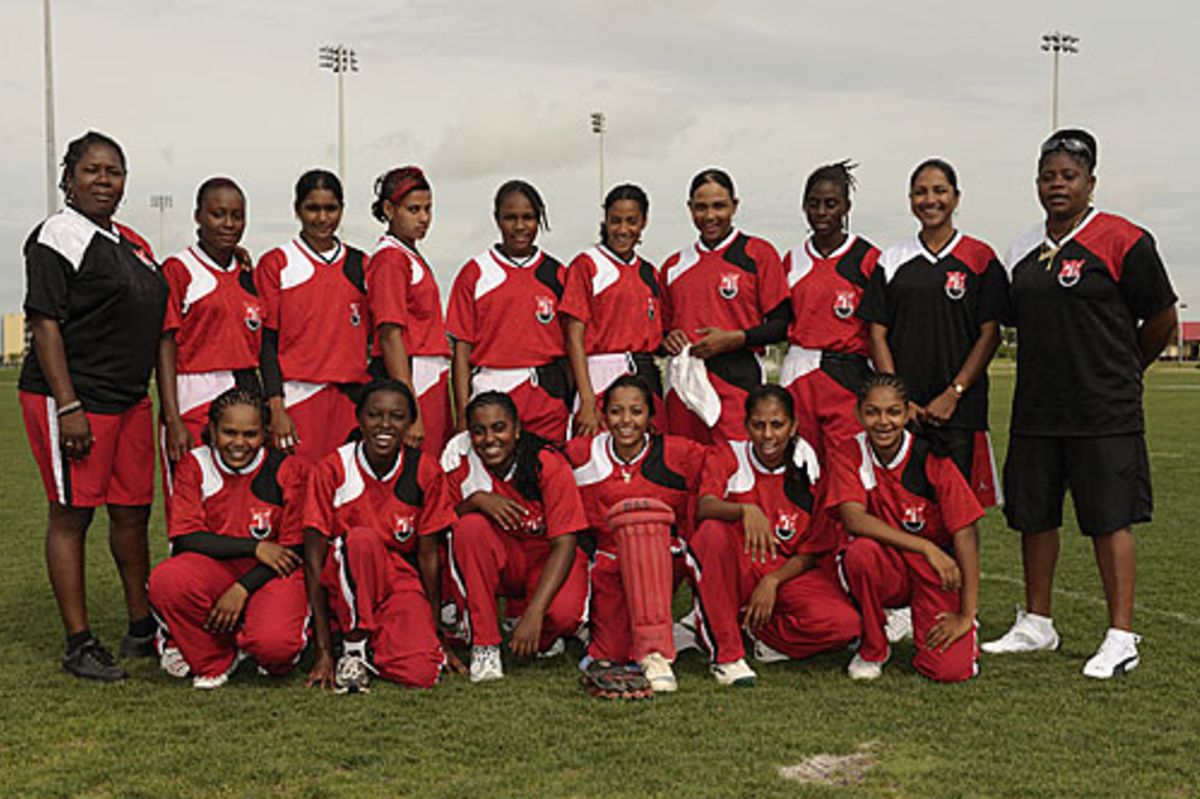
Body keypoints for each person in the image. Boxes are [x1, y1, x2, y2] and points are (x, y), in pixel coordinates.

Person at [983, 129, 1178, 679]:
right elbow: (1008, 319)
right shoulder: (1022, 246)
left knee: (1108, 519)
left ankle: (1121, 636)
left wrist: (1123, 372)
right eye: (1048, 176)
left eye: (1069, 176)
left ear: (1091, 182)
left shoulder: (1123, 239)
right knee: (1034, 516)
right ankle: (1037, 623)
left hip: (1104, 410)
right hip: (1038, 409)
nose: (1057, 185)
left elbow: (1162, 317)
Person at [19, 131, 168, 681]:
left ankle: (139, 627)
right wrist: (67, 404)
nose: (104, 181)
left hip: (129, 400)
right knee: (72, 514)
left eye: (114, 172)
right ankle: (79, 642)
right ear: (69, 178)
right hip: (78, 397)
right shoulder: (59, 233)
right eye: (92, 171)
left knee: (132, 512)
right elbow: (45, 321)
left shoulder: (129, 241)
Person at [687, 385, 861, 688]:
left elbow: (812, 550)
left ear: (793, 426)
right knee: (711, 532)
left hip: (784, 573)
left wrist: (773, 581)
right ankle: (726, 655)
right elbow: (704, 506)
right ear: (746, 426)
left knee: (844, 625)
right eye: (758, 425)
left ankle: (758, 633)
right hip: (738, 565)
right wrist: (745, 511)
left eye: (777, 424)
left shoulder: (811, 470)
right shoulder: (729, 454)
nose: (768, 435)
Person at [860, 158, 1007, 507]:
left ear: (956, 198)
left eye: (940, 191)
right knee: (905, 507)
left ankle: (960, 566)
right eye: (920, 192)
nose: (930, 200)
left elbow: (990, 334)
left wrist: (954, 393)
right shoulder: (892, 259)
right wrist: (897, 399)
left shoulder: (980, 257)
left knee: (960, 511)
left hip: (960, 410)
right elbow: (876, 332)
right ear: (910, 200)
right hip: (902, 414)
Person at [302, 379, 458, 693]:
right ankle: (353, 649)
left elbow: (428, 557)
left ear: (411, 422)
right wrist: (323, 651)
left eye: (397, 417)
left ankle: (379, 642)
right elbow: (313, 559)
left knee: (421, 673)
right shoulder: (332, 469)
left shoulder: (426, 471)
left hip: (397, 578)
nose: (385, 425)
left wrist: (434, 632)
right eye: (375, 415)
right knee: (361, 540)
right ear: (359, 419)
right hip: (343, 576)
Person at [148, 389, 309, 688]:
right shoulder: (194, 465)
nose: (238, 443)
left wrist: (242, 589)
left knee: (275, 649)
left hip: (273, 574)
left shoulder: (287, 469)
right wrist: (255, 546)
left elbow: (292, 549)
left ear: (266, 434)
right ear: (211, 430)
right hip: (216, 569)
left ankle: (256, 635)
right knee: (167, 579)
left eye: (250, 434)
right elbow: (185, 538)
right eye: (229, 432)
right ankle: (215, 658)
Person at [829, 374, 982, 683]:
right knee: (859, 553)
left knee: (949, 670)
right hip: (890, 565)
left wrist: (967, 615)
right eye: (872, 412)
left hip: (935, 571)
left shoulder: (932, 457)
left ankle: (961, 636)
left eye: (893, 412)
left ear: (906, 412)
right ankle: (873, 646)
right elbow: (853, 519)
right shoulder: (849, 452)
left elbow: (966, 533)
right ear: (859, 414)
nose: (883, 421)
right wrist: (924, 546)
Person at [561, 375, 705, 694]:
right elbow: (539, 463)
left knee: (643, 522)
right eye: (616, 412)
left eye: (636, 411)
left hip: (661, 559)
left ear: (651, 417)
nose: (626, 421)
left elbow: (720, 467)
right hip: (609, 563)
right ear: (603, 414)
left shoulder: (679, 454)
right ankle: (667, 632)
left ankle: (656, 652)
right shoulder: (581, 454)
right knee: (611, 652)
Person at [443, 391, 590, 682]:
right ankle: (485, 645)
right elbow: (437, 526)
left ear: (518, 429)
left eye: (499, 428)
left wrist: (534, 613)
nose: (489, 439)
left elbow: (565, 543)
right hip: (501, 556)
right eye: (479, 431)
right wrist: (474, 501)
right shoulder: (459, 458)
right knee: (468, 527)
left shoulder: (546, 462)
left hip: (545, 557)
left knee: (562, 615)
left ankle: (533, 626)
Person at [660, 168, 789, 445]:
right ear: (690, 209)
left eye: (719, 206)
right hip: (683, 382)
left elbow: (782, 325)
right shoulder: (673, 266)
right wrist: (667, 339)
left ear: (735, 206)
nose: (710, 216)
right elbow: (660, 331)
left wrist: (736, 338)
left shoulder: (758, 254)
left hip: (739, 376)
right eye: (701, 207)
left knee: (736, 467)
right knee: (687, 465)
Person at [157, 177, 261, 505]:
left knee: (236, 501)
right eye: (218, 214)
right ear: (198, 216)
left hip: (244, 395)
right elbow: (165, 344)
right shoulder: (179, 269)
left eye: (237, 215)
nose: (229, 224)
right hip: (192, 397)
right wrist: (173, 420)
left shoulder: (248, 275)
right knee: (191, 499)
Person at [255, 169, 369, 462]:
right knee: (297, 495)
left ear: (342, 209)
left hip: (349, 402)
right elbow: (267, 342)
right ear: (297, 210)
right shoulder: (276, 263)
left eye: (330, 208)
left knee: (344, 496)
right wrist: (276, 407)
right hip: (297, 398)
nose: (322, 218)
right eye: (312, 208)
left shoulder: (361, 264)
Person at [446, 180, 572, 444]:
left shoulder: (556, 274)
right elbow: (461, 352)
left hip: (545, 393)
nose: (519, 226)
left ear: (539, 219)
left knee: (545, 472)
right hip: (490, 390)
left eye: (528, 217)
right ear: (497, 219)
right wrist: (461, 414)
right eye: (510, 218)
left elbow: (571, 346)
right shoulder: (475, 273)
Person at [781, 161, 881, 460]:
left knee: (847, 463)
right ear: (804, 207)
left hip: (848, 374)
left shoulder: (868, 258)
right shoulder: (792, 260)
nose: (822, 212)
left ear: (846, 207)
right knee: (802, 464)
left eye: (830, 204)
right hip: (800, 373)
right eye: (814, 204)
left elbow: (879, 328)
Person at [560, 184, 664, 437]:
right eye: (615, 221)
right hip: (600, 374)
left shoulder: (649, 272)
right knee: (595, 454)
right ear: (605, 221)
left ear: (644, 222)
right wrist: (586, 399)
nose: (623, 230)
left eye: (631, 221)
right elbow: (574, 337)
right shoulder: (587, 265)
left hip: (644, 374)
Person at [366, 166, 452, 454]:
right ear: (390, 209)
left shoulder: (407, 253)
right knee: (419, 464)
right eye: (414, 209)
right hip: (415, 373)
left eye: (428, 209)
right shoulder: (390, 258)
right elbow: (390, 333)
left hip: (428, 371)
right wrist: (409, 407)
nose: (424, 218)